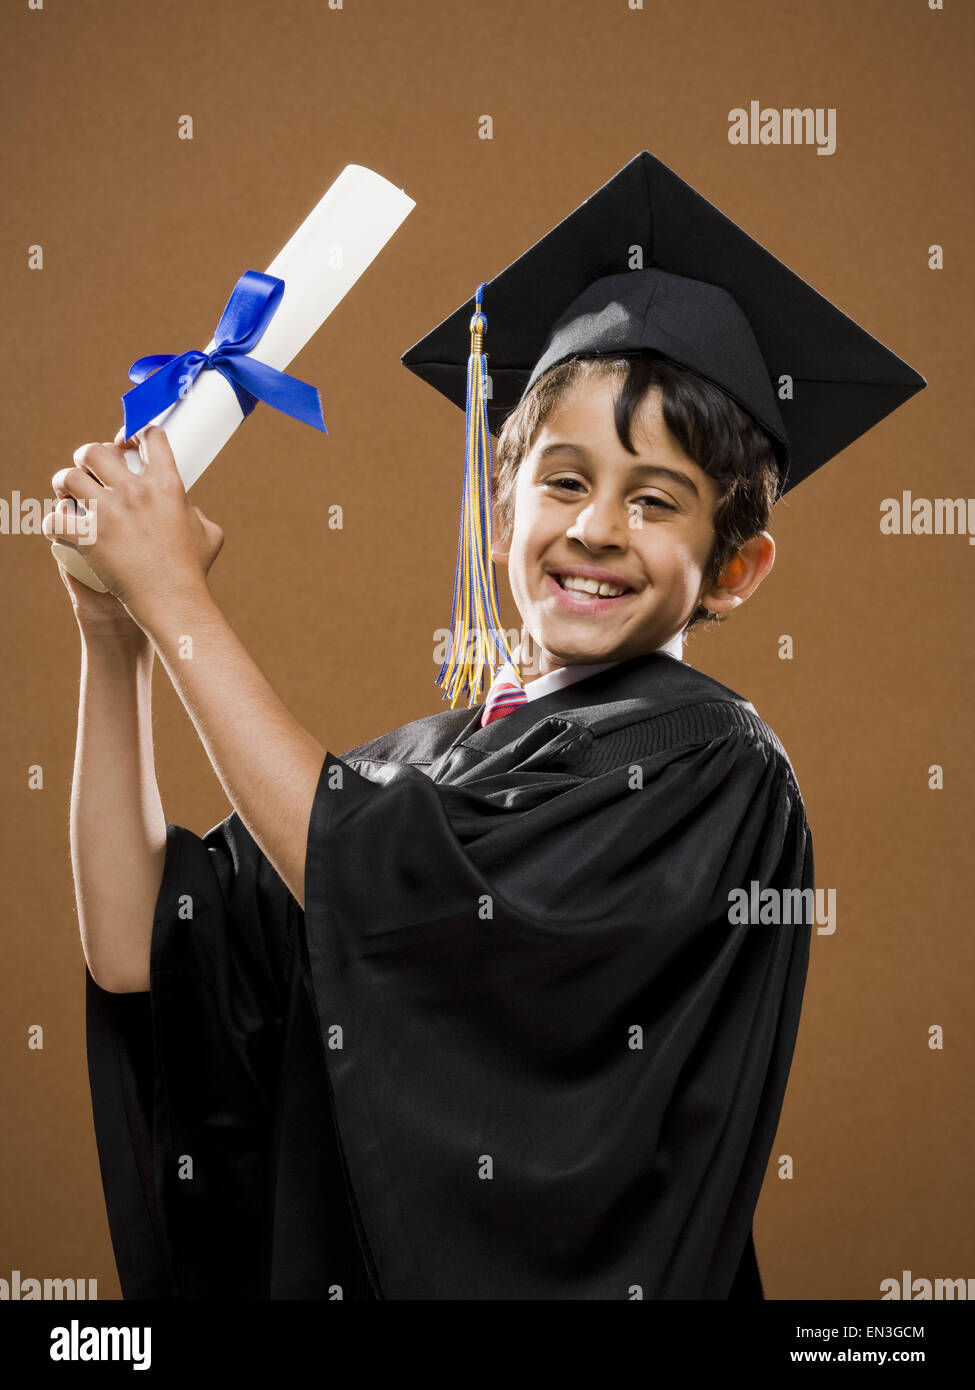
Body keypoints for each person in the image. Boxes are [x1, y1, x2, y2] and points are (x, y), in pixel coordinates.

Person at [48, 151, 925, 1300]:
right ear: (500, 503)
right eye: (562, 482)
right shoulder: (413, 771)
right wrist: (114, 640)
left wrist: (177, 598)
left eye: (657, 500)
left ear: (739, 565)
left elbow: (377, 882)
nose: (598, 526)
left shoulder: (714, 764)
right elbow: (140, 948)